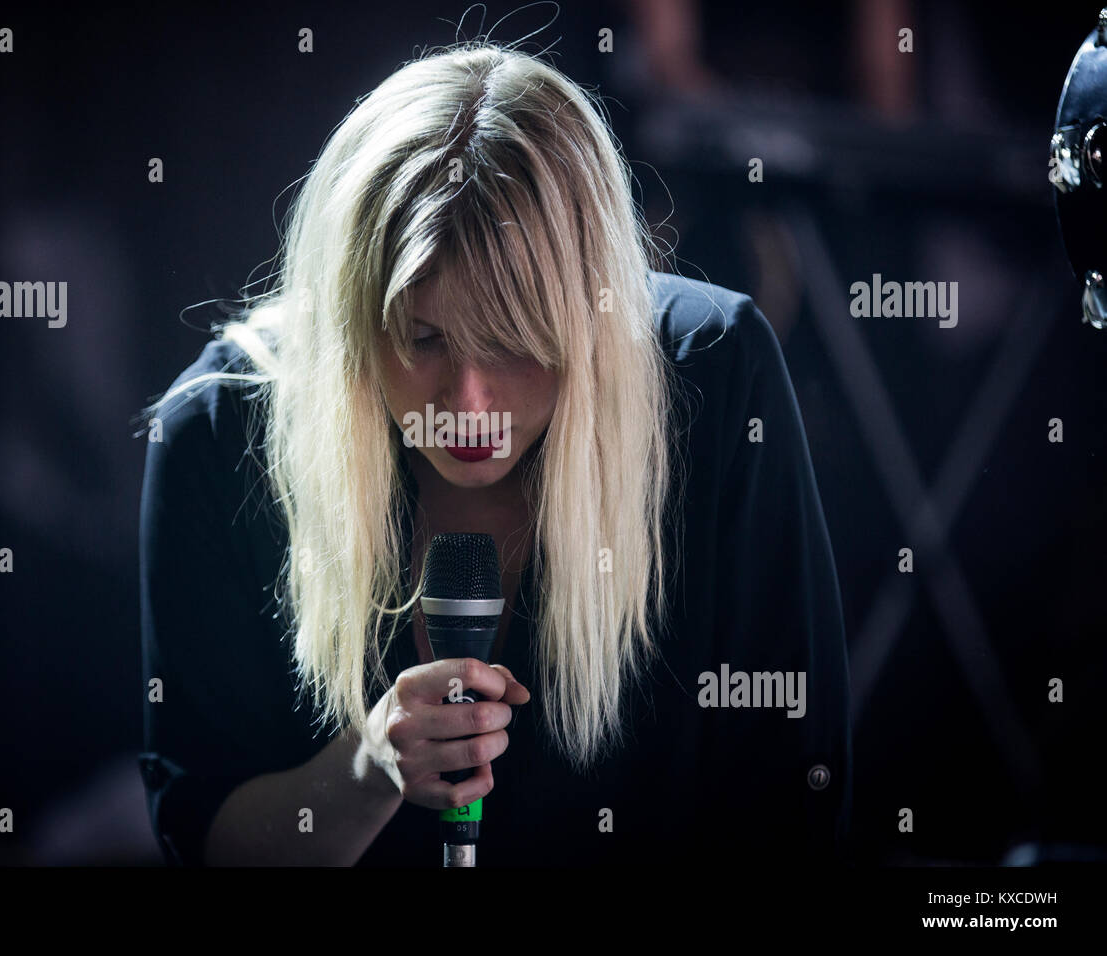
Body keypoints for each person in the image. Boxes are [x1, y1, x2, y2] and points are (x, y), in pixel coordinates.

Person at [137, 42, 851, 867]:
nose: (469, 406)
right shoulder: (223, 429)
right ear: (351, 316)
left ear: (588, 315)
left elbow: (793, 803)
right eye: (424, 338)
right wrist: (370, 768)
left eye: (516, 342)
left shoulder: (712, 377)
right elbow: (206, 842)